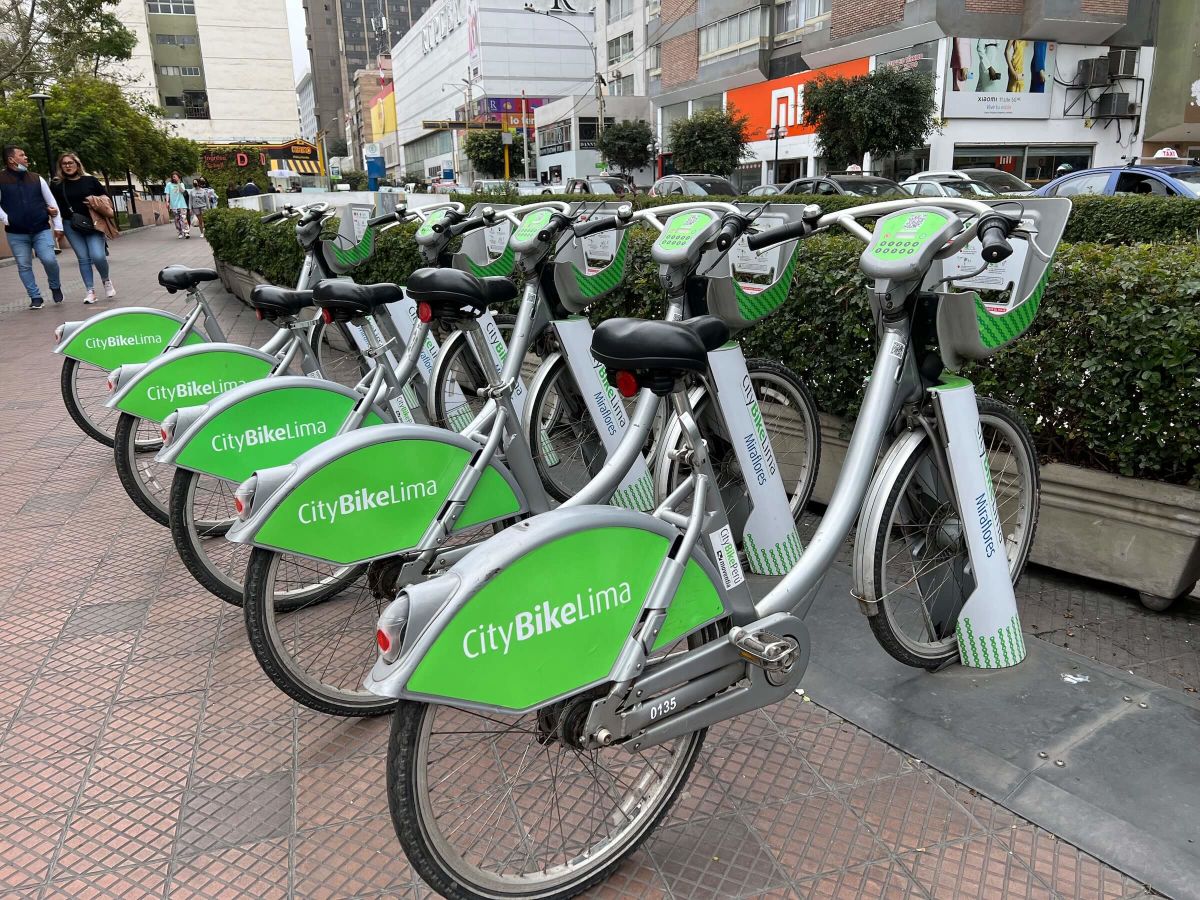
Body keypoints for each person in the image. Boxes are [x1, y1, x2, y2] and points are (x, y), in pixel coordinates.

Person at [0, 145, 64, 309]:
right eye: (22, 155)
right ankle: (35, 297)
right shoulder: (1, 179)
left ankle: (55, 286)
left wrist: (58, 225)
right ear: (11, 160)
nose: (26, 157)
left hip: (40, 228)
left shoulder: (36, 178)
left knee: (49, 260)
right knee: (23, 265)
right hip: (16, 233)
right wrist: (5, 218)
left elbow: (51, 202)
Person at [52, 152, 116, 304]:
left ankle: (106, 280)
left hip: (93, 223)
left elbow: (106, 198)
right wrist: (55, 219)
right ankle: (90, 291)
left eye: (71, 163)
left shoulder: (90, 180)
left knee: (98, 256)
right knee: (83, 258)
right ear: (61, 167)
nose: (68, 166)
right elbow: (54, 204)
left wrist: (95, 202)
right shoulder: (57, 184)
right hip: (71, 224)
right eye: (64, 164)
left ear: (77, 164)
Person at [166, 171, 190, 239]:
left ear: (178, 177)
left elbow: (183, 191)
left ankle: (186, 232)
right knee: (177, 219)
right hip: (174, 205)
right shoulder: (169, 184)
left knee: (184, 218)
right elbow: (167, 194)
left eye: (175, 176)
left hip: (182, 204)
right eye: (173, 177)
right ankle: (180, 232)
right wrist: (167, 202)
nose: (174, 178)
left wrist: (178, 182)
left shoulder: (181, 184)